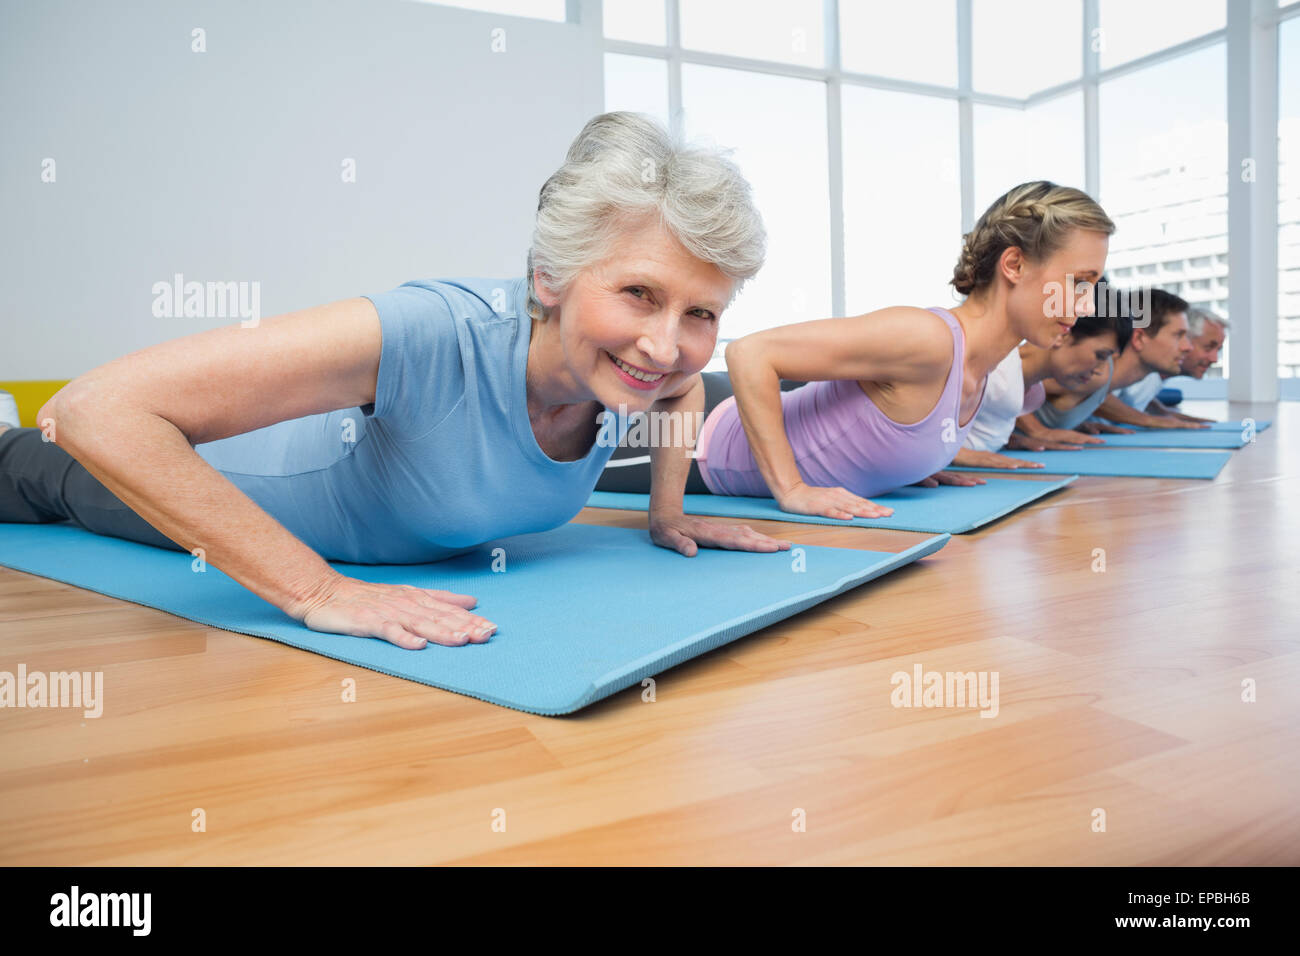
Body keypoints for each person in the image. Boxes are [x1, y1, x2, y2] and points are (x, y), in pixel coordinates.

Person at [0, 111, 791, 650]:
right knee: (19, 466)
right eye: (639, 294)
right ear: (550, 277)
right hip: (140, 481)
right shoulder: (436, 332)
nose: (667, 345)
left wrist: (666, 513)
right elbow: (96, 410)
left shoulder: (629, 376)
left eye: (701, 314)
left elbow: (684, 388)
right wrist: (318, 592)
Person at [596, 181, 1114, 521]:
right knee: (555, 484)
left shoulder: (983, 363)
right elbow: (751, 353)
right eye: (1078, 280)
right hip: (691, 441)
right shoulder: (927, 339)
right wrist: (792, 489)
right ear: (1015, 266)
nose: (1084, 301)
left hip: (716, 430)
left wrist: (910, 462)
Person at [953, 302, 1123, 468]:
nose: (1100, 370)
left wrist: (1007, 440)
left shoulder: (1033, 393)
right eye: (1100, 355)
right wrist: (958, 455)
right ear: (1063, 335)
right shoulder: (995, 370)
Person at [1090, 288, 1207, 430]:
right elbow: (1085, 392)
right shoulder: (1085, 377)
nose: (1188, 347)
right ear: (1139, 338)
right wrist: (1149, 420)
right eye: (1178, 335)